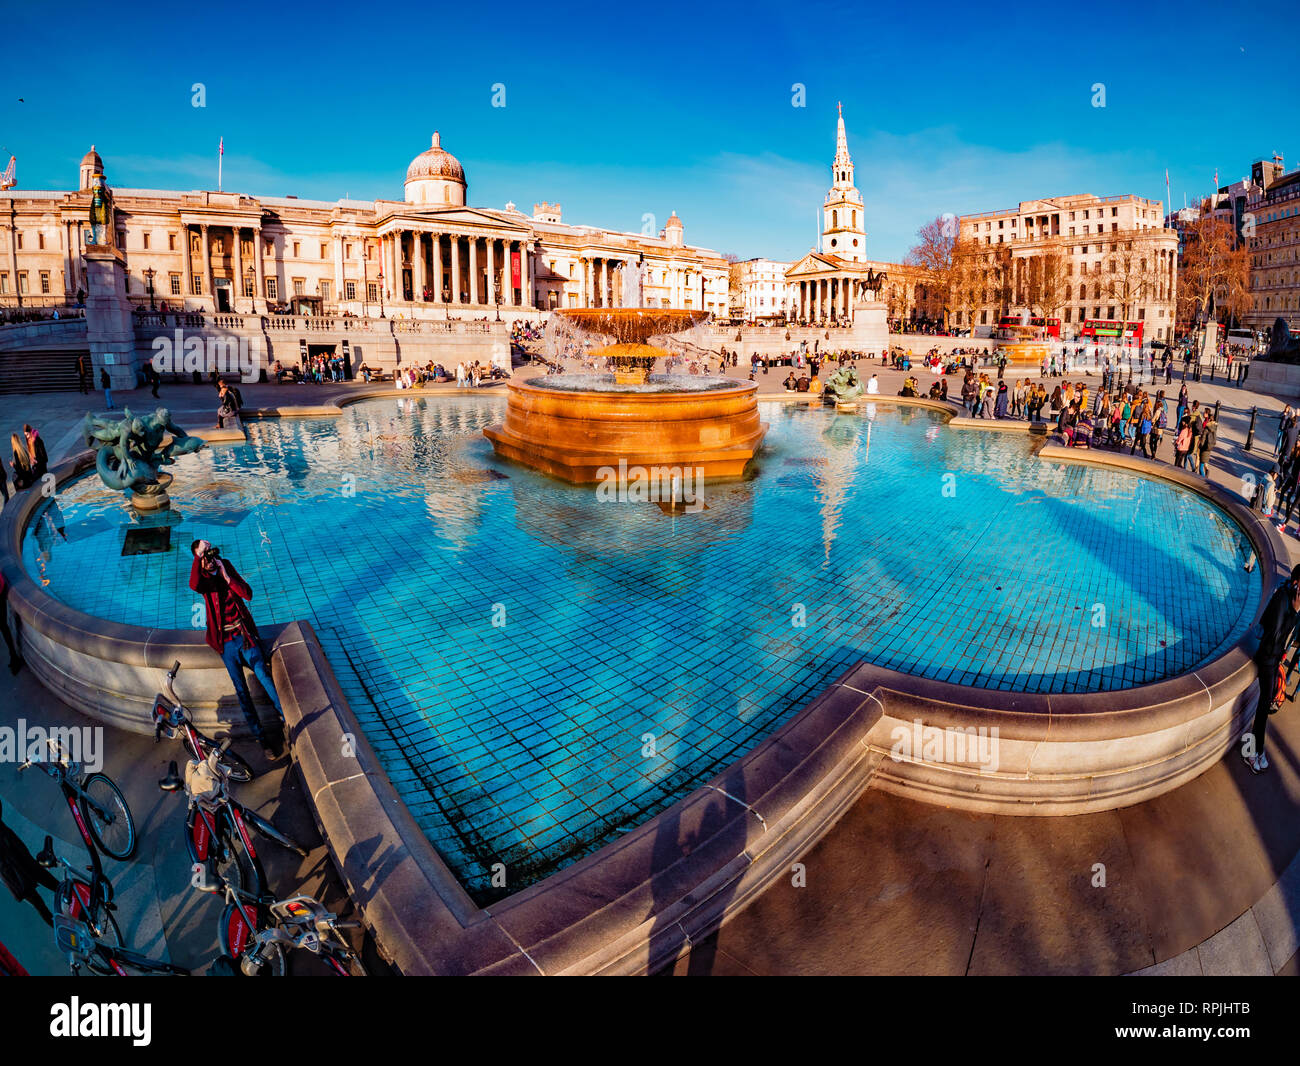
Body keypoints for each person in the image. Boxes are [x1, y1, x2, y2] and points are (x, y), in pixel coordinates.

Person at [189, 540, 285, 756]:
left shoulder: (226, 566)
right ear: (198, 560)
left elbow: (247, 594)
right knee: (242, 692)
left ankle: (288, 721)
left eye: (210, 553)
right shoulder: (203, 580)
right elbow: (194, 584)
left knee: (265, 677)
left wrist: (226, 576)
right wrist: (199, 556)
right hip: (226, 645)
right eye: (204, 556)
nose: (209, 559)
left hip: (244, 638)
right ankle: (262, 740)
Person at [1246, 565, 1300, 774]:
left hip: (1273, 658)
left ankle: (1256, 751)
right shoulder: (1282, 601)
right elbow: (1275, 635)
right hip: (1266, 658)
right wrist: (1295, 613)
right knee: (1263, 709)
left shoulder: (1290, 599)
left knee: (1263, 707)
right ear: (1295, 583)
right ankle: (1252, 752)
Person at [0, 799, 58, 927]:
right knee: (42, 902)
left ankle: (82, 906)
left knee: (48, 893)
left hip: (15, 866)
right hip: (13, 868)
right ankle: (67, 932)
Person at [1197, 411, 1218, 477]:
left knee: (1201, 467)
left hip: (1204, 448)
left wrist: (1200, 446)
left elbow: (1203, 439)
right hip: (1209, 448)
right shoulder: (1214, 428)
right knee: (1203, 464)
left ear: (1209, 419)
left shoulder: (1206, 429)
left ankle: (1203, 479)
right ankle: (1205, 474)